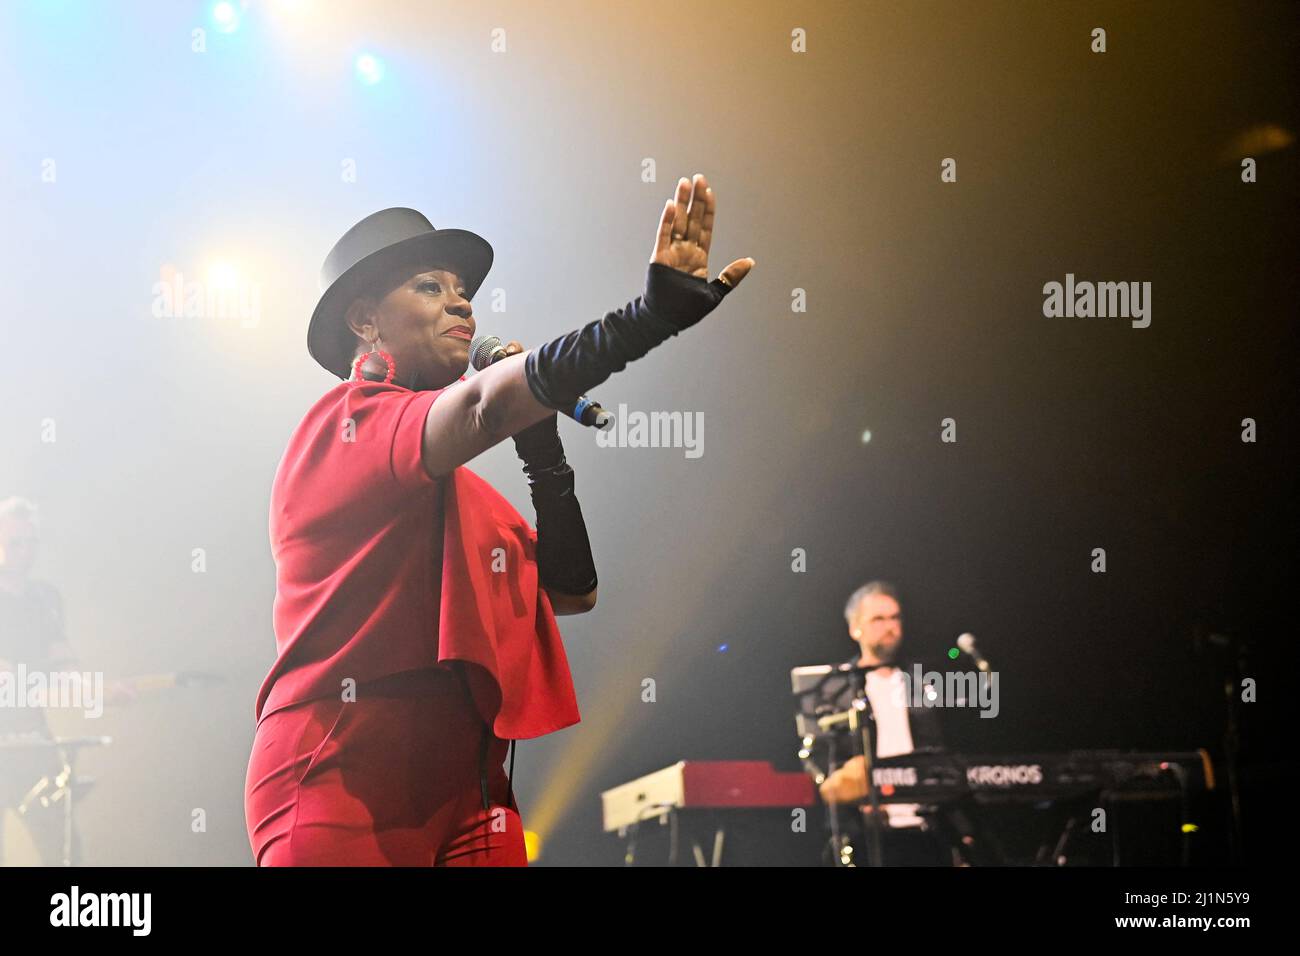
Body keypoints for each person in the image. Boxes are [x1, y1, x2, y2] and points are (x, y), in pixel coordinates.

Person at [244, 173, 754, 866]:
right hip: (339, 779)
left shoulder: (463, 499)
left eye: (464, 292)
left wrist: (542, 450)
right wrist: (644, 319)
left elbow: (574, 593)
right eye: (430, 286)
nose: (462, 303)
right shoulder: (345, 430)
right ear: (364, 318)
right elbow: (484, 408)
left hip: (469, 795)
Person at [817, 580, 955, 865]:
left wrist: (960, 827)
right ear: (855, 627)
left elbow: (942, 754)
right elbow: (824, 761)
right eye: (878, 619)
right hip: (866, 833)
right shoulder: (836, 689)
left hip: (926, 829)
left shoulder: (920, 683)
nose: (890, 626)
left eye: (895, 617)